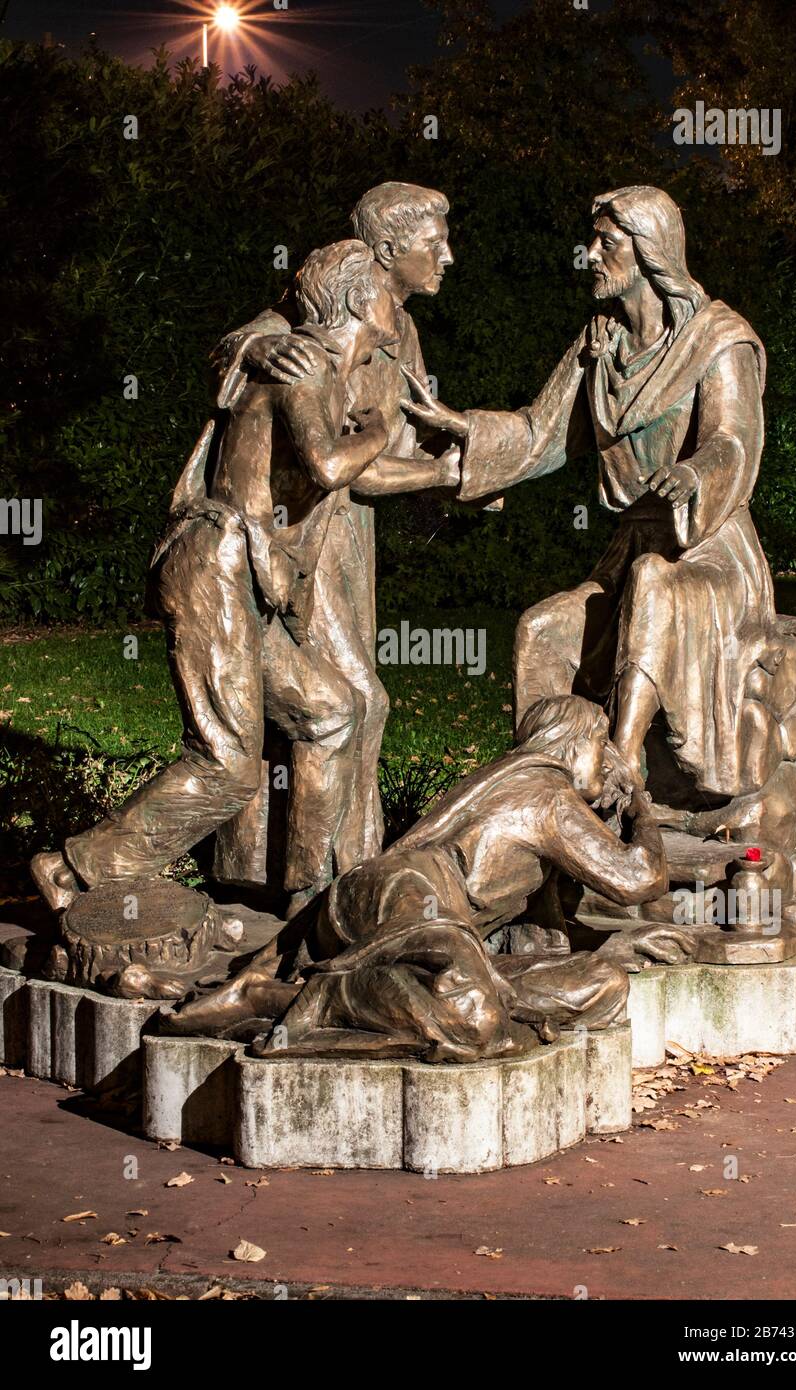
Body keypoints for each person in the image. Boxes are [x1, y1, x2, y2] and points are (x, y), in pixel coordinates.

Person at [32, 240, 450, 915]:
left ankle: (310, 899)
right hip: (215, 568)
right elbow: (329, 466)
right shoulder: (304, 360)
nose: (394, 305)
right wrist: (378, 425)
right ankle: (74, 869)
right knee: (226, 765)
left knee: (331, 711)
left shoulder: (327, 367)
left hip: (247, 582)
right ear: (351, 296)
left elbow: (346, 469)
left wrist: (442, 472)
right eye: (382, 288)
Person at [403, 186, 772, 803]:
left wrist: (692, 476)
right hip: (631, 553)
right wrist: (464, 426)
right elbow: (538, 434)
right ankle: (546, 787)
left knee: (655, 578)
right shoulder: (600, 341)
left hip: (709, 552)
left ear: (650, 252)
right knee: (542, 627)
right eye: (594, 240)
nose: (591, 255)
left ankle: (622, 765)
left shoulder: (719, 339)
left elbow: (733, 441)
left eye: (607, 242)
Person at [165, 694, 690, 1062]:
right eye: (604, 746)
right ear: (574, 745)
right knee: (478, 1023)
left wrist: (609, 951)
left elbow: (542, 938)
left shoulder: (520, 786)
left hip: (400, 908)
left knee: (604, 986)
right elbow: (639, 877)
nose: (611, 762)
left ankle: (352, 994)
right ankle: (288, 1000)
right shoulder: (546, 793)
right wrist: (641, 805)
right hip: (408, 893)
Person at [208, 183, 459, 886]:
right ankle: (304, 879)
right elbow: (240, 343)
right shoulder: (332, 299)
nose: (446, 254)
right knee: (333, 703)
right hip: (295, 525)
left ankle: (335, 867)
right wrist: (262, 348)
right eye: (431, 242)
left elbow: (392, 441)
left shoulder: (400, 332)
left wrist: (447, 471)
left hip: (346, 529)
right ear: (386, 251)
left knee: (340, 702)